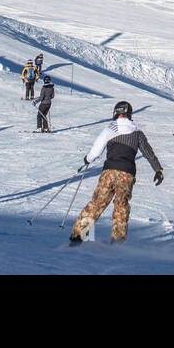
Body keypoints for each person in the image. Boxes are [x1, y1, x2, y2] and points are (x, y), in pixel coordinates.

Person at [70, 101, 163, 244]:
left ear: (115, 113)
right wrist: (157, 169)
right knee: (121, 205)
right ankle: (118, 242)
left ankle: (79, 236)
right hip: (127, 174)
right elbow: (148, 152)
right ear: (130, 114)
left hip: (109, 172)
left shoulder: (110, 129)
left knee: (97, 203)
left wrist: (87, 159)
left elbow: (96, 150)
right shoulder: (137, 132)